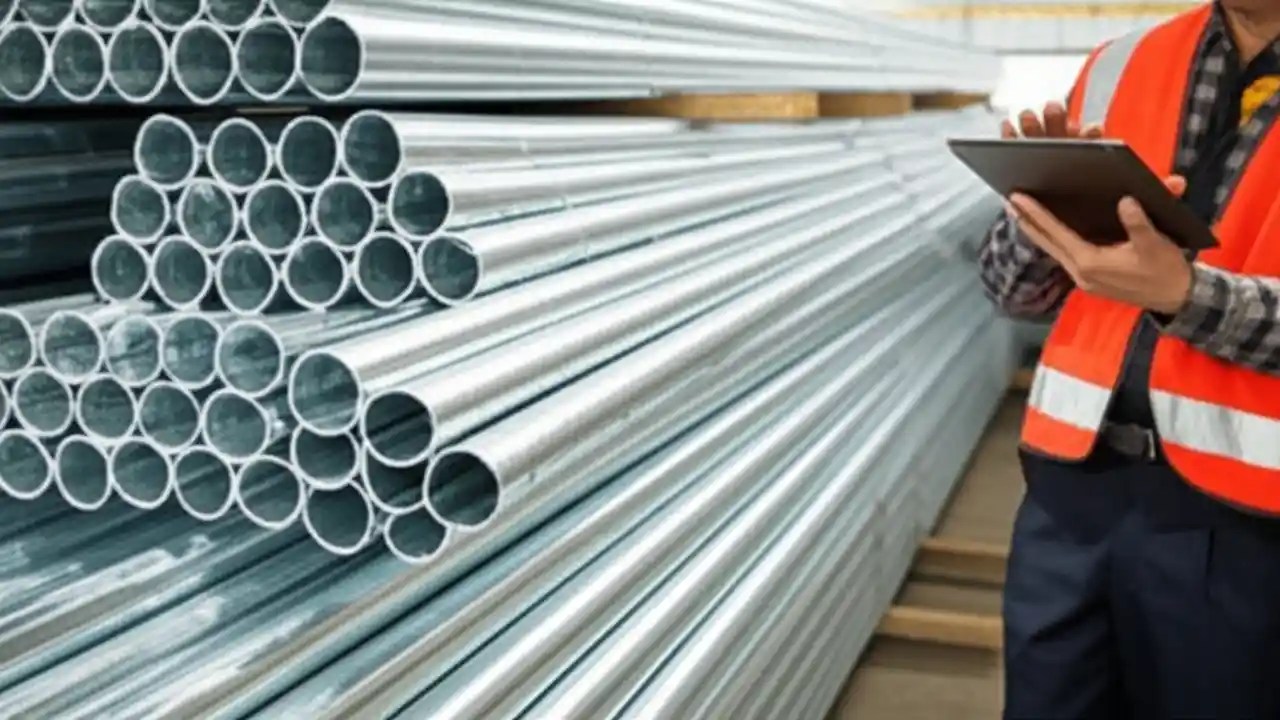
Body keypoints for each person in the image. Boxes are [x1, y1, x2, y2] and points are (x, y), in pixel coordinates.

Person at [980, 1, 1280, 717]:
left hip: (1249, 518)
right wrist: (1040, 218)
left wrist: (1183, 295)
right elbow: (1011, 291)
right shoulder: (1120, 64)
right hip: (1071, 492)